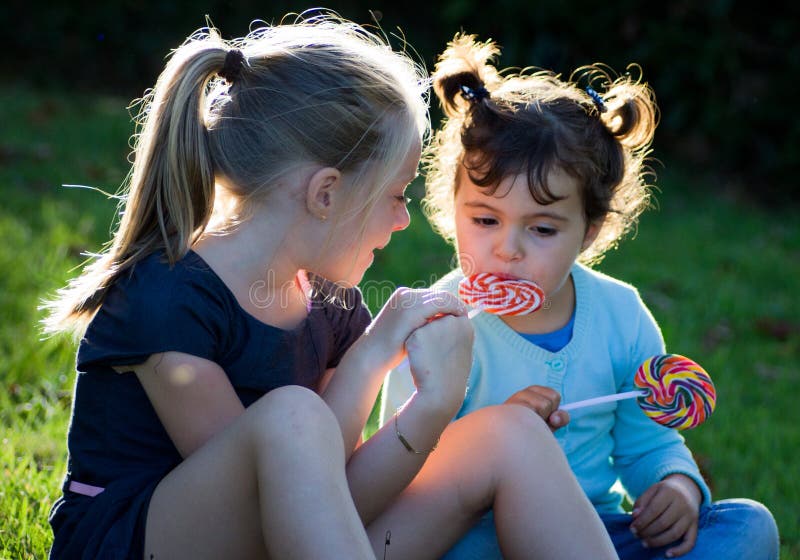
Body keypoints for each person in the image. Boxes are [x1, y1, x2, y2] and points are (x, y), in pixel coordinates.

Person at [42, 14, 620, 560]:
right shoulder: (166, 299)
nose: (403, 220)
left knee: (510, 435)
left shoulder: (330, 301)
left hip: (290, 541)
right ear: (325, 195)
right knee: (294, 414)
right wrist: (370, 357)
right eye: (396, 195)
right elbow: (259, 517)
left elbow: (333, 498)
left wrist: (432, 405)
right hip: (138, 542)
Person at [381, 33, 780, 559]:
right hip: (474, 538)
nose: (507, 249)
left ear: (589, 231)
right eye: (484, 220)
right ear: (452, 208)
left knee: (749, 527)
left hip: (597, 532)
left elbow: (650, 441)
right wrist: (500, 435)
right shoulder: (436, 324)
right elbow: (400, 470)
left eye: (542, 229)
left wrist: (675, 486)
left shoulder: (620, 316)